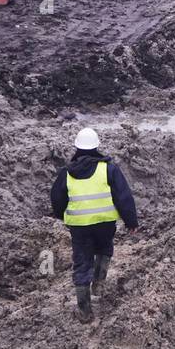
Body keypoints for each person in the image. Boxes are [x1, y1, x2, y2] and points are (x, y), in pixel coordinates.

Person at [50, 127, 138, 323]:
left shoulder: (66, 173)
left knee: (82, 263)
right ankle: (98, 282)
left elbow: (57, 198)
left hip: (80, 226)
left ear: (77, 148)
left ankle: (84, 311)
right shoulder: (109, 169)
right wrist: (131, 221)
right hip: (105, 223)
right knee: (105, 248)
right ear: (97, 146)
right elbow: (123, 196)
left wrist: (61, 215)